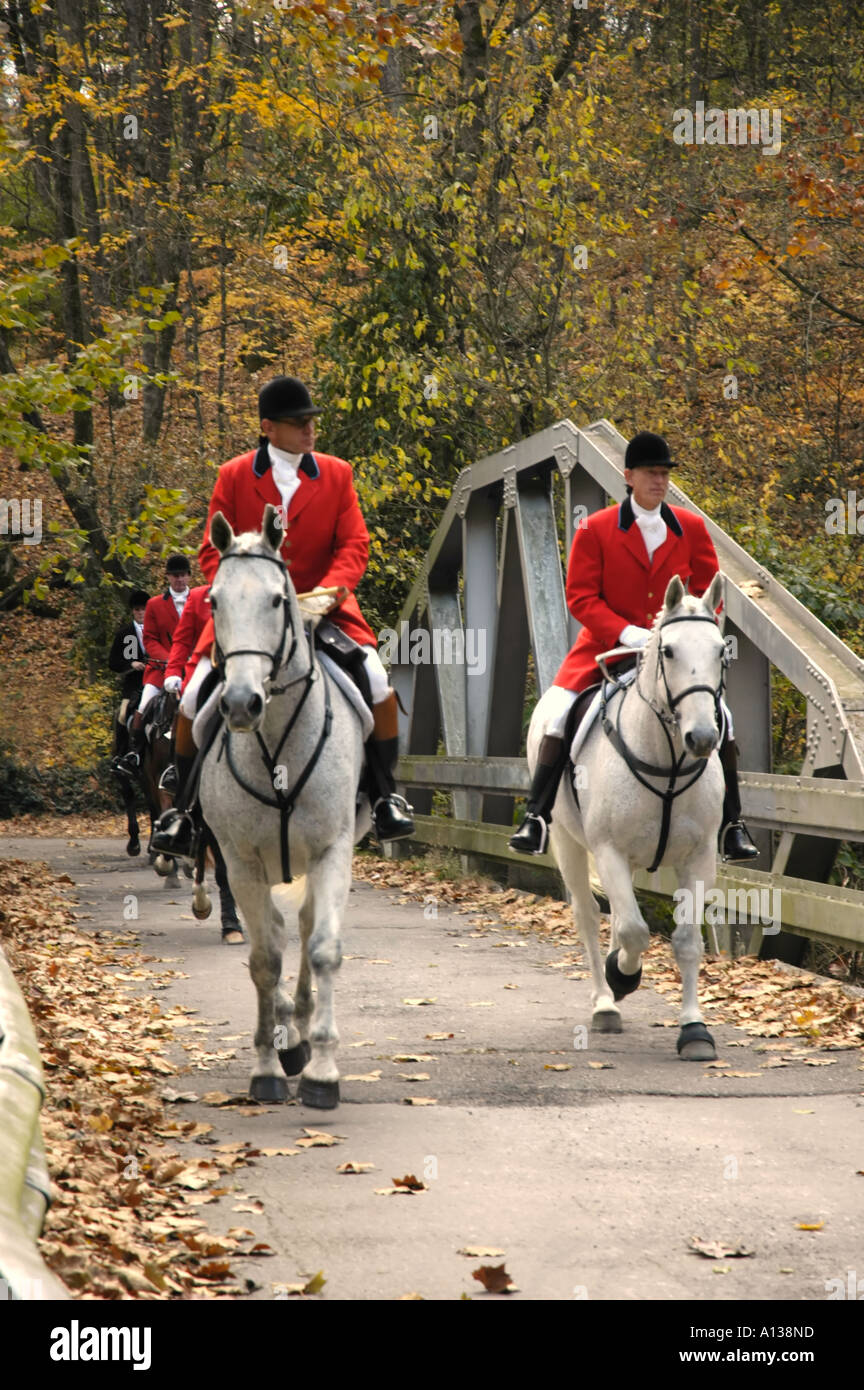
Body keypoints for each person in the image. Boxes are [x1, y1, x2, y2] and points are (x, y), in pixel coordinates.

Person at [149, 374, 415, 857]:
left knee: (377, 682)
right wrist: (242, 587)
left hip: (324, 610)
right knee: (191, 698)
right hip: (248, 616)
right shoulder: (233, 475)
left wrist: (327, 595)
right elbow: (214, 551)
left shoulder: (337, 474)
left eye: (311, 420)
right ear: (268, 428)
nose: (309, 429)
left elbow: (354, 543)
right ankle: (183, 814)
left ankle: (385, 797)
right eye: (297, 423)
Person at [508, 430, 759, 863]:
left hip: (675, 657)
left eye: (663, 474)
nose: (659, 482)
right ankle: (537, 816)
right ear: (629, 476)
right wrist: (627, 633)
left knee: (725, 720)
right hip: (606, 651)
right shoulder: (595, 528)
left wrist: (684, 636)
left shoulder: (692, 529)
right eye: (650, 473)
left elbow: (707, 599)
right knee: (558, 716)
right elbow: (580, 597)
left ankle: (733, 824)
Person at [114, 554, 192, 774]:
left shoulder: (199, 600)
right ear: (167, 577)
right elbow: (149, 639)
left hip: (193, 668)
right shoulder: (155, 605)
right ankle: (134, 753)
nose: (179, 579)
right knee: (144, 703)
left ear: (188, 576)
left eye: (182, 575)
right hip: (161, 670)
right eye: (174, 575)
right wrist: (170, 660)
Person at [108, 588, 149, 705]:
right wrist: (131, 664)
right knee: (122, 715)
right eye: (137, 610)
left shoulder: (158, 631)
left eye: (143, 609)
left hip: (155, 682)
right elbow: (113, 662)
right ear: (132, 611)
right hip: (133, 686)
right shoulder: (124, 634)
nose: (141, 612)